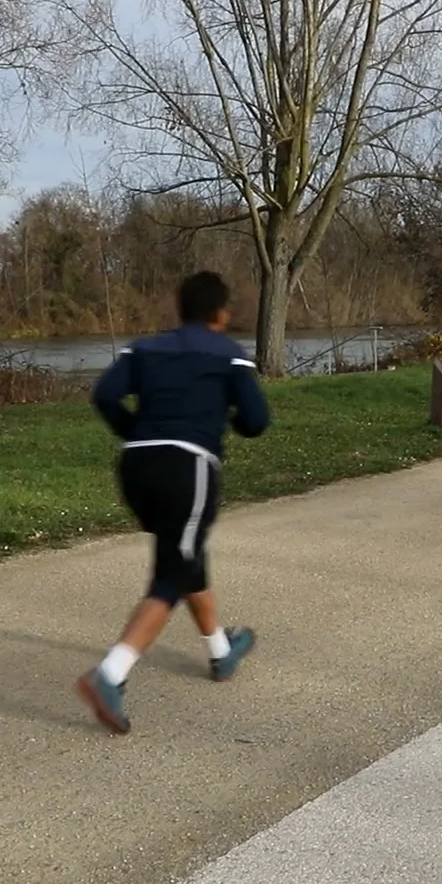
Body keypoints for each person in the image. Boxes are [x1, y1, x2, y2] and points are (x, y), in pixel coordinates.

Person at [76, 270, 272, 735]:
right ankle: (109, 675)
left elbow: (103, 395)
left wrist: (136, 433)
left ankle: (222, 652)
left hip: (136, 468)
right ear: (222, 314)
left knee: (184, 555)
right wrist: (230, 421)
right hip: (189, 468)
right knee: (171, 573)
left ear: (178, 309)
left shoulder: (143, 348)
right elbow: (258, 420)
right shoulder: (228, 354)